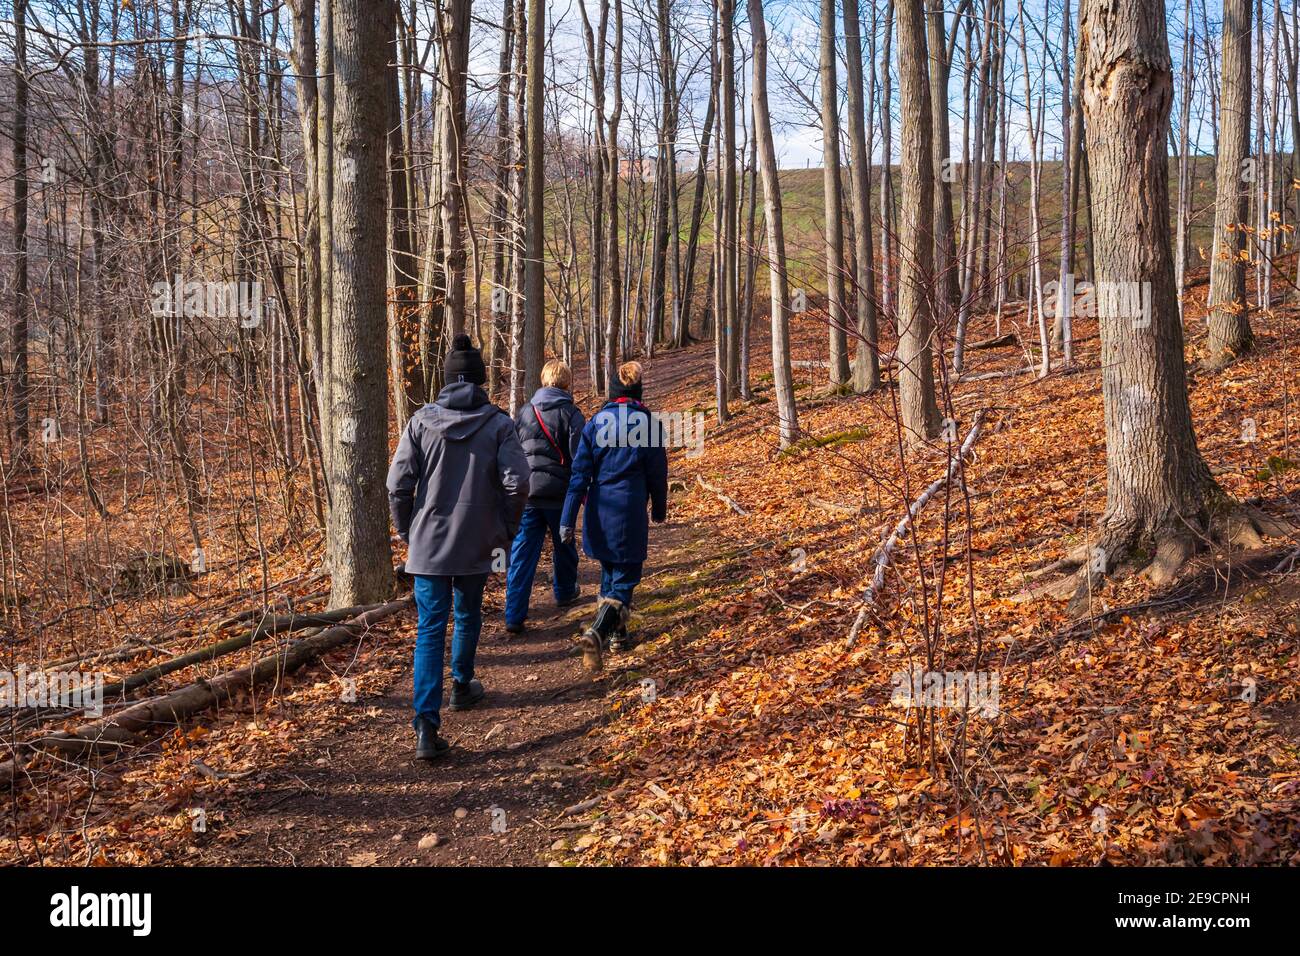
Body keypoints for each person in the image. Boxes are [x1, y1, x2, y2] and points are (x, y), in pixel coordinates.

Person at [386, 334, 529, 760]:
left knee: (430, 629)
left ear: (446, 381)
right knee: (467, 614)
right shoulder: (499, 424)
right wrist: (506, 527)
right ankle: (462, 685)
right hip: (476, 541)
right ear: (482, 381)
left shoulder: (419, 423)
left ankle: (426, 726)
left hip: (427, 545)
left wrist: (406, 531)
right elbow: (519, 482)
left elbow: (398, 484)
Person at [560, 361, 668, 670]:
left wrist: (567, 519)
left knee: (610, 574)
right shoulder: (647, 424)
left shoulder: (596, 422)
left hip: (599, 511)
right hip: (629, 512)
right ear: (638, 390)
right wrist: (659, 509)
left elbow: (579, 474)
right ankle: (597, 632)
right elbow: (657, 475)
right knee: (624, 579)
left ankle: (617, 636)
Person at [503, 359, 586, 634]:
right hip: (560, 494)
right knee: (564, 545)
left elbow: (514, 450)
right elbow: (579, 456)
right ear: (566, 382)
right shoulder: (572, 414)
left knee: (523, 552)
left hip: (528, 493)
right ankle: (563, 592)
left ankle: (514, 613)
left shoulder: (525, 412)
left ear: (543, 380)